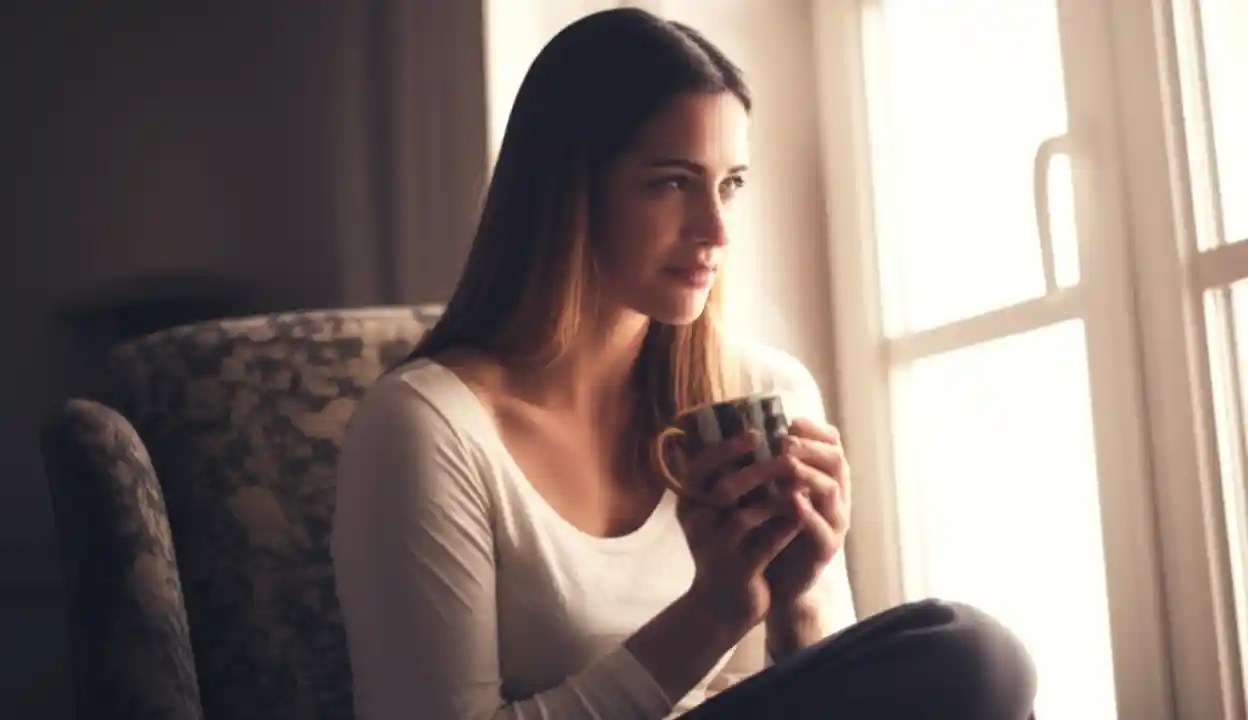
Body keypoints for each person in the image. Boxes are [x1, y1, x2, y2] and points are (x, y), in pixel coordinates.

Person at [330, 7, 1036, 719]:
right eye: (671, 183)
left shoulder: (765, 392)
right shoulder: (426, 428)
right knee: (973, 655)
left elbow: (824, 695)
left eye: (730, 184)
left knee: (969, 658)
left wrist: (799, 603)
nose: (716, 228)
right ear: (569, 189)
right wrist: (712, 616)